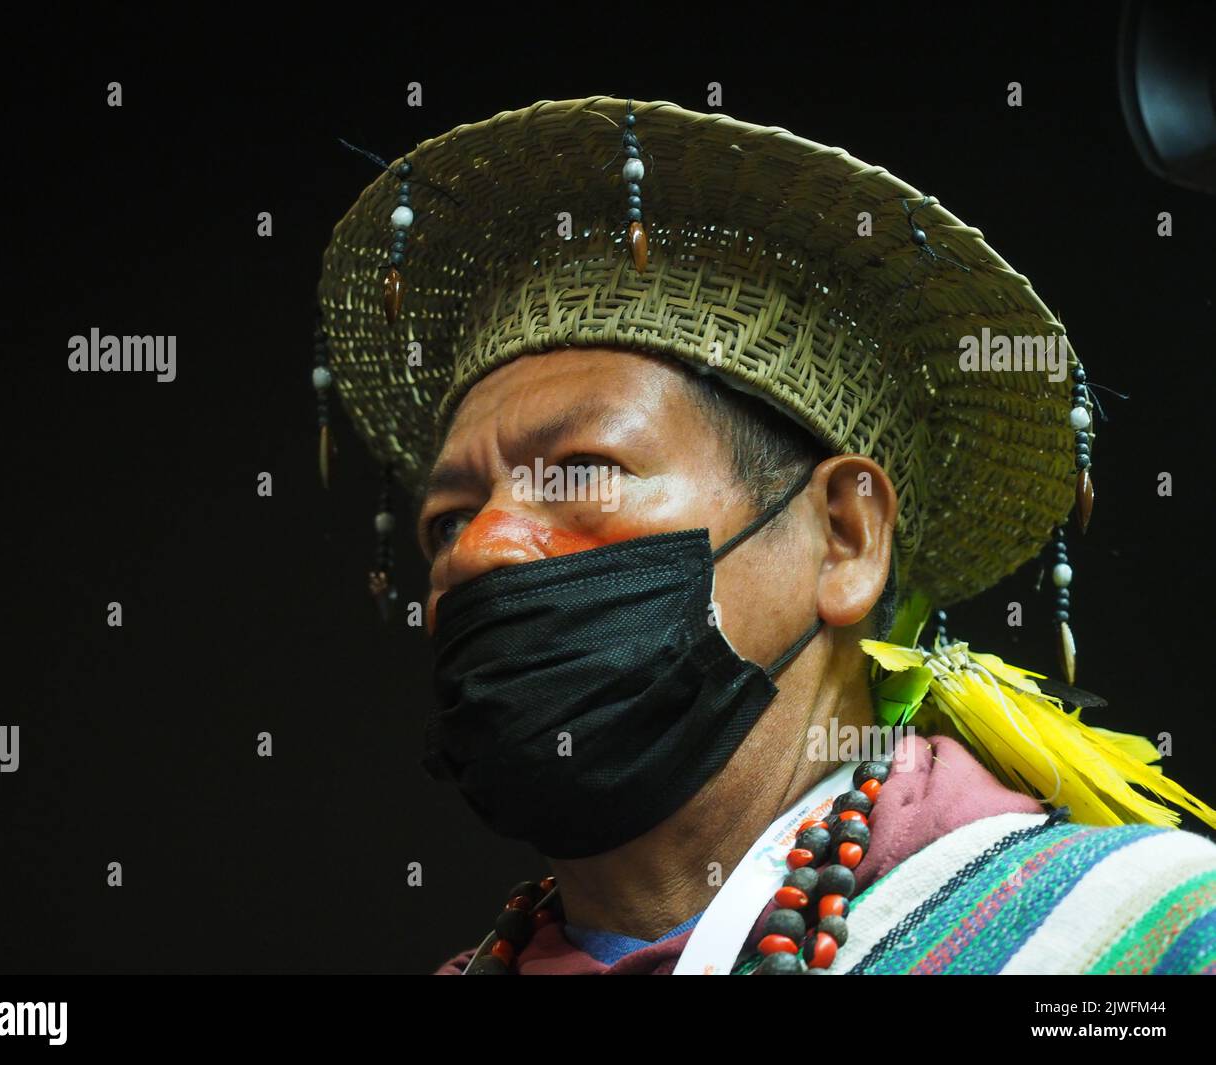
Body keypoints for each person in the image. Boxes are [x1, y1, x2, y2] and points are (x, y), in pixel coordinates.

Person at [313, 96, 1216, 974]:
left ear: (844, 537)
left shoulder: (1135, 935)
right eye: (449, 519)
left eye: (582, 472)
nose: (479, 549)